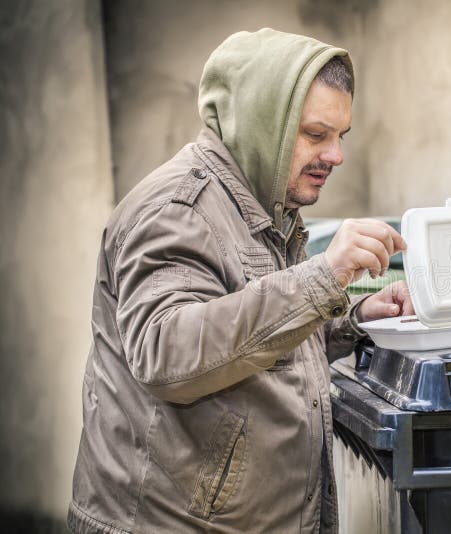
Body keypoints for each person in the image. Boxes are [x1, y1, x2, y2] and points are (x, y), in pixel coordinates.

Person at [68, 28, 413, 534]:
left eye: (341, 136)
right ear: (260, 125)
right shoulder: (176, 210)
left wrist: (355, 319)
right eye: (316, 135)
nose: (336, 155)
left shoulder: (263, 203)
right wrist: (323, 277)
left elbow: (251, 339)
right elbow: (167, 353)